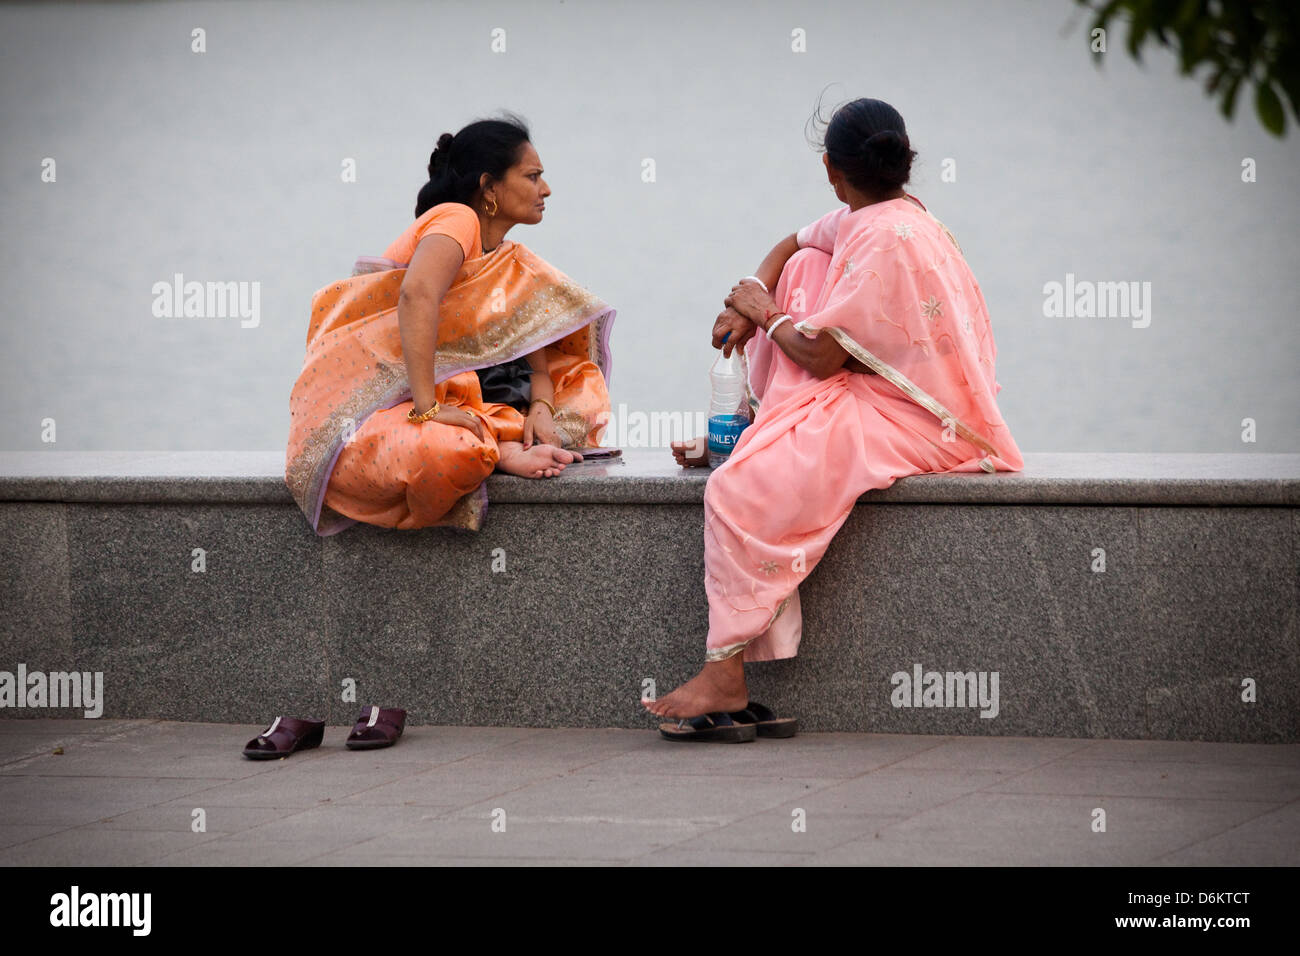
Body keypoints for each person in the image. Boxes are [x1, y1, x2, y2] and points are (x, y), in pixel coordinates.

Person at [645, 98, 1024, 729]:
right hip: (885, 396)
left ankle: (723, 676)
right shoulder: (887, 214)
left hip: (926, 421)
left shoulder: (881, 236)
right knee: (804, 265)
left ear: (831, 168)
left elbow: (820, 358)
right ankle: (759, 427)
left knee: (737, 490)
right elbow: (794, 242)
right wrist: (754, 296)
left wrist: (764, 313)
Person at [285, 115, 615, 534]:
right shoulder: (456, 220)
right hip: (388, 398)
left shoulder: (508, 257)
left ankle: (506, 438)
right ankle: (504, 448)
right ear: (489, 187)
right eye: (533, 177)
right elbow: (415, 295)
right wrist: (429, 409)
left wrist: (541, 407)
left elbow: (535, 360)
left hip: (472, 392)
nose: (545, 189)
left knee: (580, 388)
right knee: (451, 451)